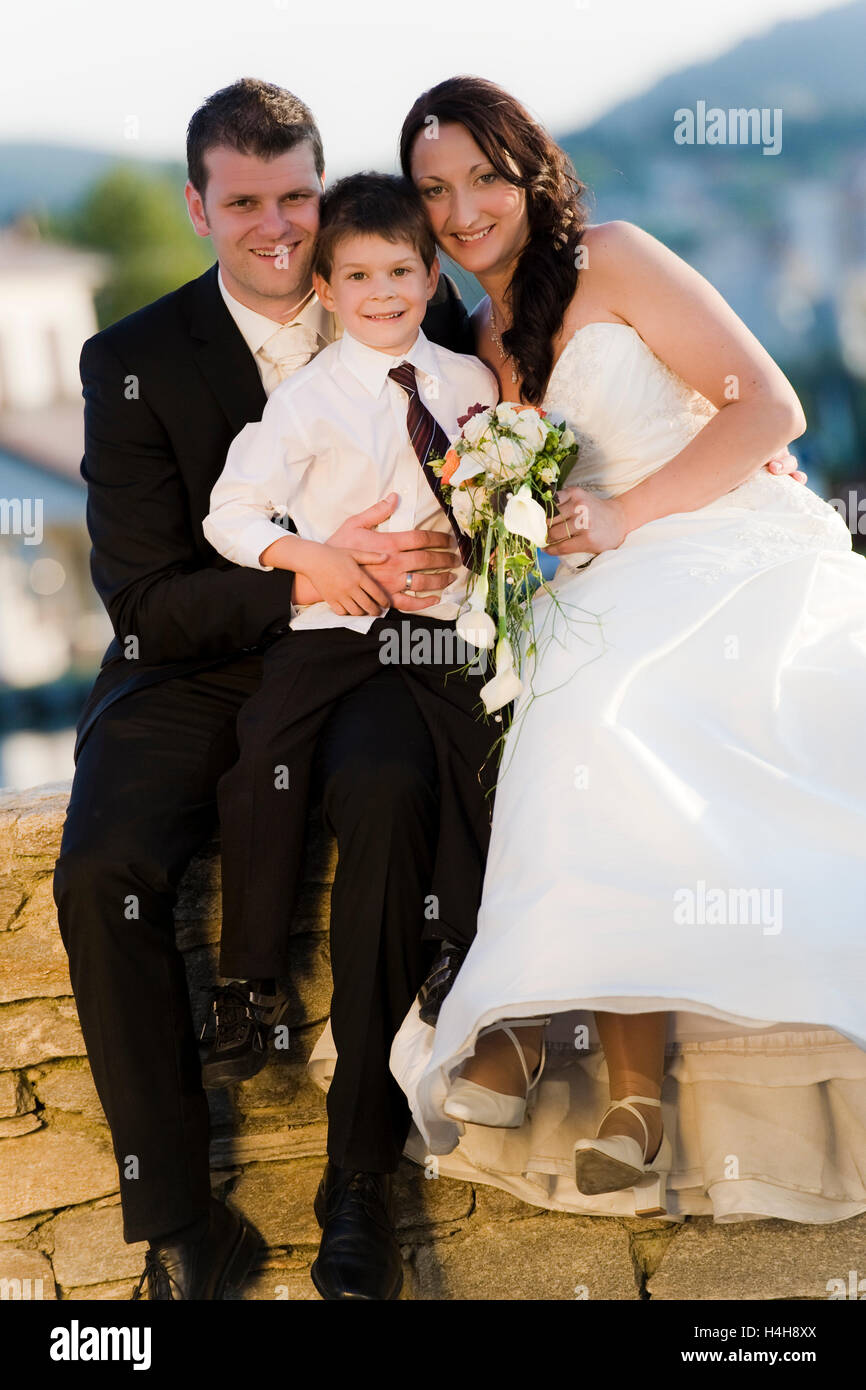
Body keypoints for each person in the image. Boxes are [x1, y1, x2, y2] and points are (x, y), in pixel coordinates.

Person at [388, 76, 866, 1225]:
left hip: (718, 530)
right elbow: (522, 509)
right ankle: (597, 1069)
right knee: (552, 695)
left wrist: (624, 516)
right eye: (434, 192)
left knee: (599, 704)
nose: (461, 212)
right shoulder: (476, 338)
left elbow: (772, 412)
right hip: (604, 571)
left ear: (529, 172)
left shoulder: (619, 254)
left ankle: (569, 1052)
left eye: (483, 179)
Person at [52, 77, 476, 1302]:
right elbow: (146, 597)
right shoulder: (127, 361)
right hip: (194, 664)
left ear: (327, 190)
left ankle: (359, 1180)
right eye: (244, 202)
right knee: (100, 871)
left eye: (296, 194)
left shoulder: (405, 321)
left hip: (373, 653)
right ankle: (181, 1224)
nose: (276, 226)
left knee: (395, 787)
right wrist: (313, 571)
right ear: (198, 206)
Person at [203, 171, 500, 1299]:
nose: (383, 292)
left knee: (481, 759)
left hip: (439, 640)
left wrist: (474, 550)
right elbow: (232, 513)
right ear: (324, 287)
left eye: (403, 273)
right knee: (280, 763)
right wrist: (315, 554)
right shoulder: (309, 400)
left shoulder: (469, 382)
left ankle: (453, 944)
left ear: (435, 276)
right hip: (339, 634)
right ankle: (251, 977)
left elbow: (500, 511)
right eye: (359, 276)